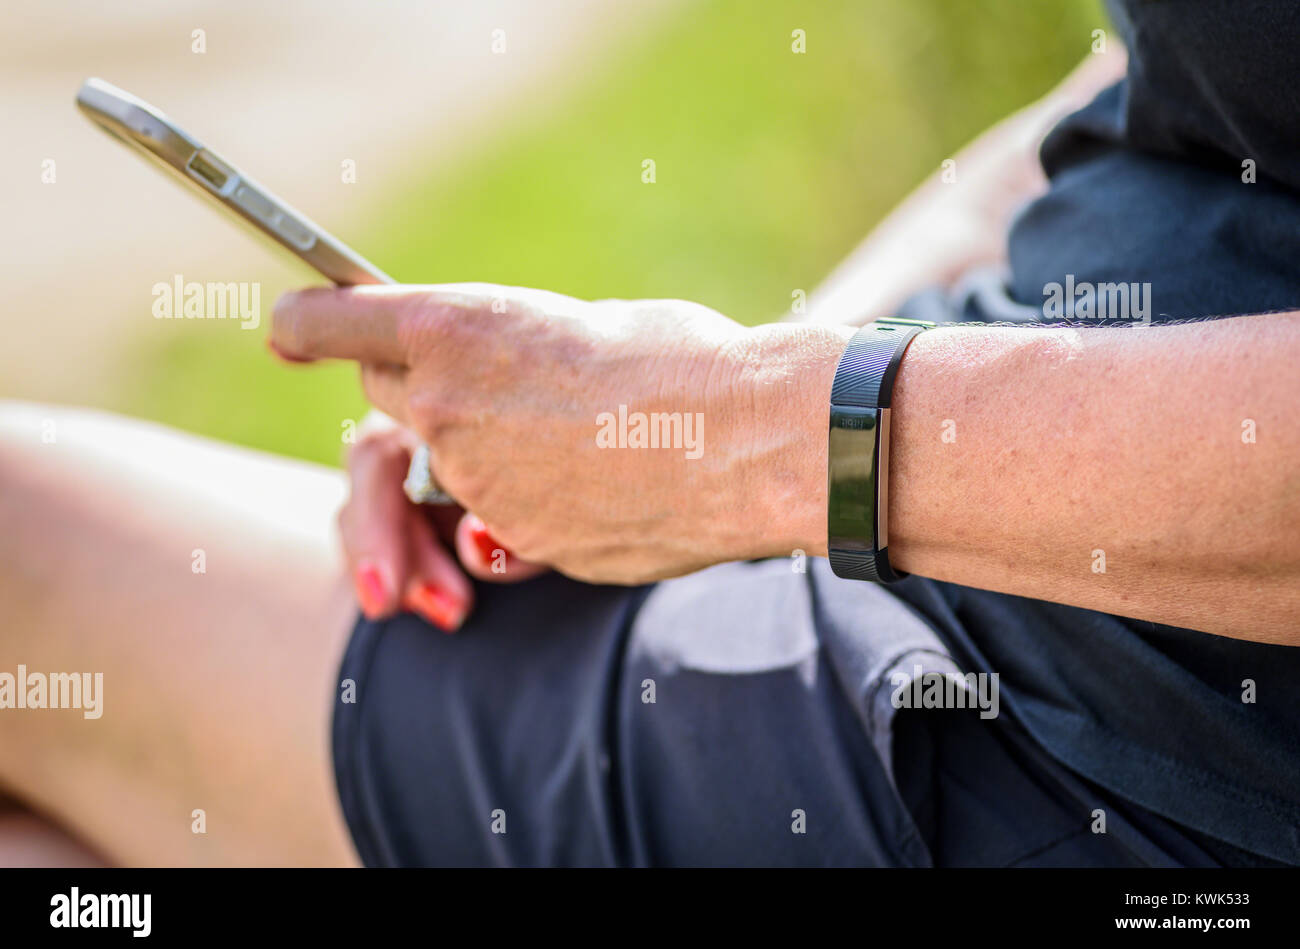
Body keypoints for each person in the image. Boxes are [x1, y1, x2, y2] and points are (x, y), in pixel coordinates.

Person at [1, 0, 1296, 866]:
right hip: (943, 566)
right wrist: (650, 422)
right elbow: (1148, 89)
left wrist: (744, 445)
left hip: (1096, 739)